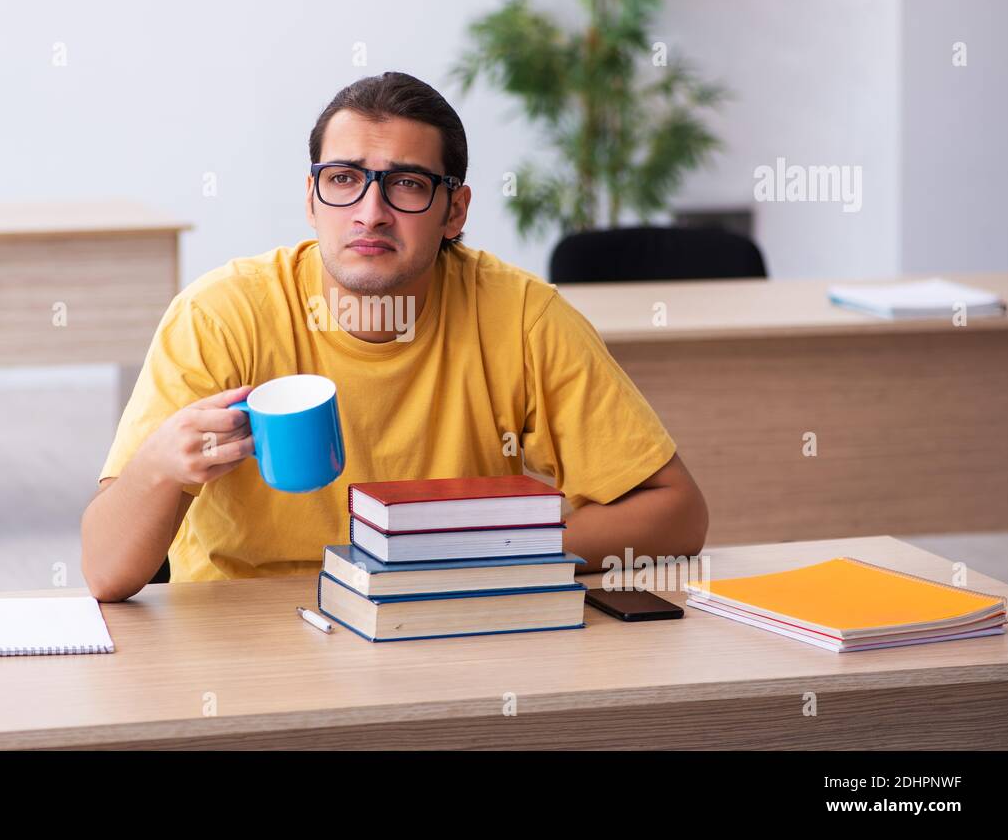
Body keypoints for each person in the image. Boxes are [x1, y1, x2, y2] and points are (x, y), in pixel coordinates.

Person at [82, 71, 707, 600]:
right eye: (344, 179)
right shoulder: (221, 316)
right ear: (312, 197)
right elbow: (106, 574)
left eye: (406, 184)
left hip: (443, 621)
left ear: (454, 211)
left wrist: (489, 552)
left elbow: (678, 514)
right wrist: (158, 469)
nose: (370, 211)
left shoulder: (522, 317)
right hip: (249, 639)